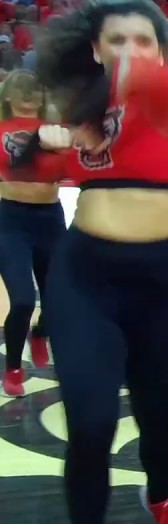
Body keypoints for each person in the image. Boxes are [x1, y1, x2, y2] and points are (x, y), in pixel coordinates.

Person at [34, 0, 168, 524]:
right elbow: (41, 167)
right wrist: (43, 141)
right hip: (84, 279)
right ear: (95, 50)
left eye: (143, 41)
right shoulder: (90, 111)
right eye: (116, 41)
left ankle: (160, 495)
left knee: (163, 421)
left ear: (162, 52)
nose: (131, 51)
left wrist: (66, 120)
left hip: (161, 286)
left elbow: (142, 81)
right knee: (91, 421)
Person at [0, 70, 64, 396]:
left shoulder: (55, 131)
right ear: (7, 96)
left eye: (34, 89)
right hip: (11, 220)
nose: (27, 93)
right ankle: (12, 368)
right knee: (23, 298)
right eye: (20, 88)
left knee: (60, 299)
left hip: (50, 219)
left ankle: (40, 334)